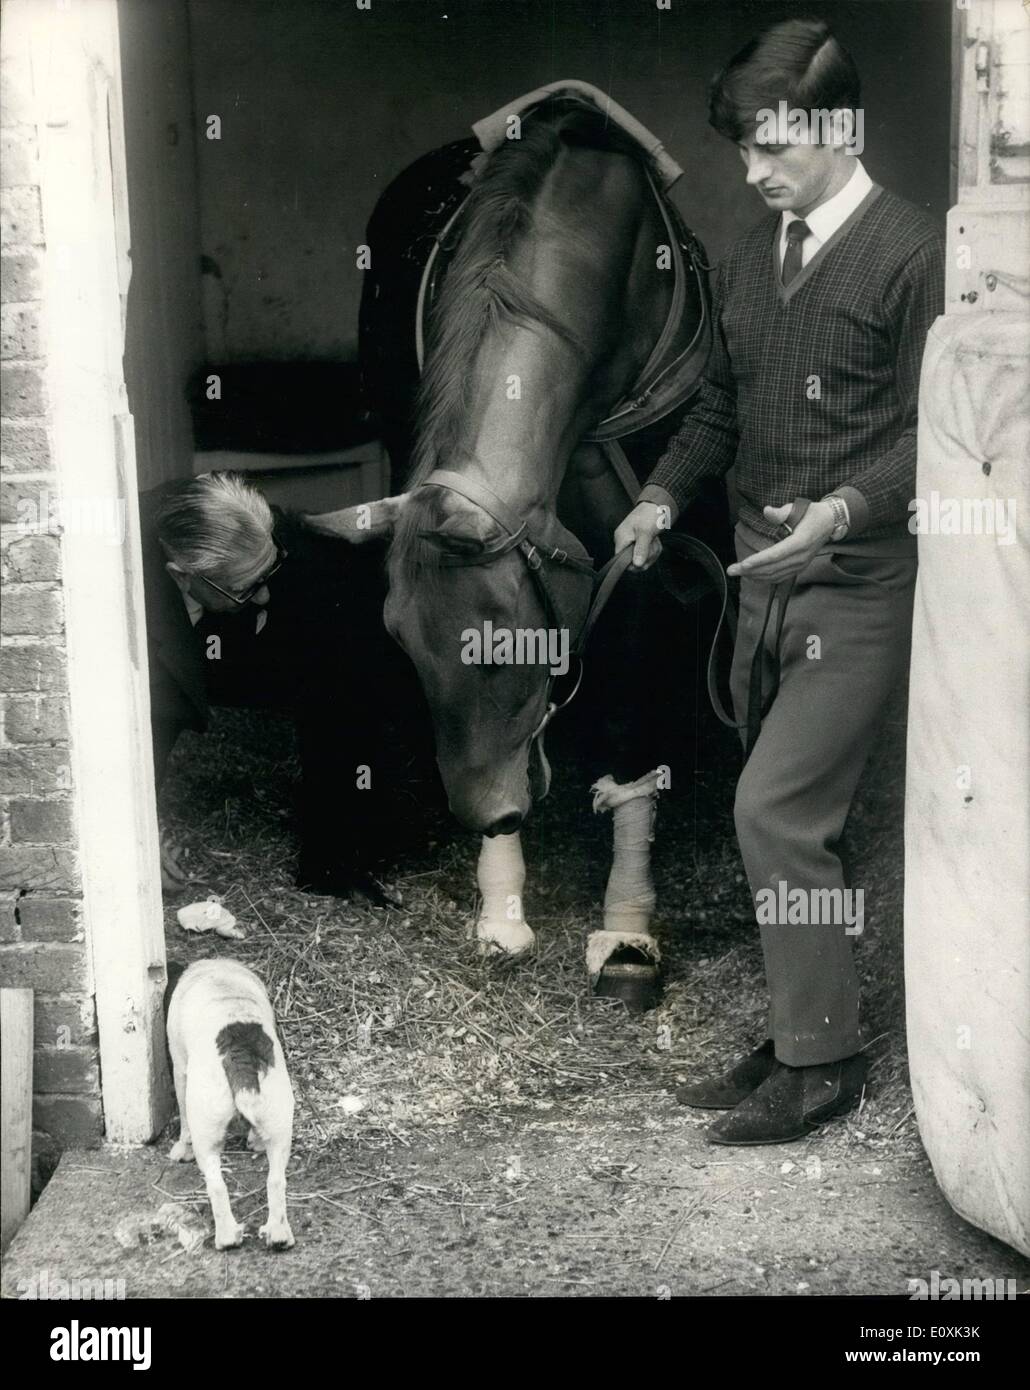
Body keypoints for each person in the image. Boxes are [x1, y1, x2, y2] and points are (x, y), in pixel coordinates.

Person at [615, 19, 944, 1145]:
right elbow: (718, 403)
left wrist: (843, 509)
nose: (751, 174)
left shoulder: (914, 252)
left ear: (840, 132)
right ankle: (807, 1017)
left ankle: (824, 1066)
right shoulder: (760, 253)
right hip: (761, 583)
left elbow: (928, 431)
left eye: (773, 150)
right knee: (794, 823)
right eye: (742, 152)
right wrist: (660, 496)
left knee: (773, 808)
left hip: (857, 581)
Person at [140, 471, 415, 906]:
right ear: (182, 576)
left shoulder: (251, 533)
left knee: (342, 665)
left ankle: (333, 864)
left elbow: (287, 556)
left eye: (268, 570)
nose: (265, 597)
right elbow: (141, 733)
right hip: (173, 641)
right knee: (165, 702)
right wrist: (134, 837)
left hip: (232, 608)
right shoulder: (124, 596)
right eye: (247, 587)